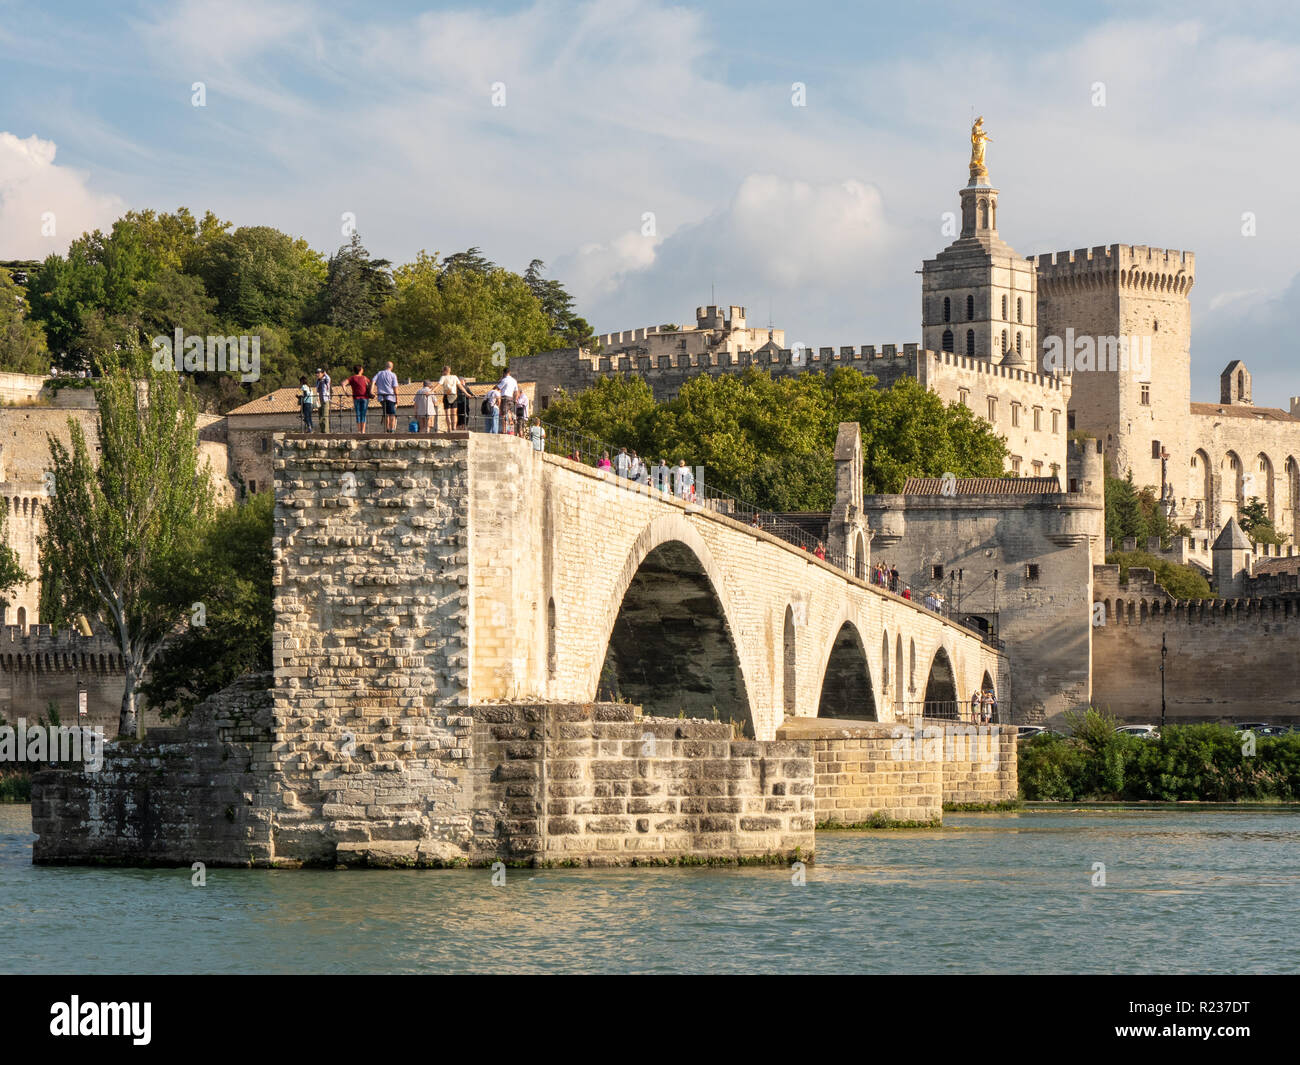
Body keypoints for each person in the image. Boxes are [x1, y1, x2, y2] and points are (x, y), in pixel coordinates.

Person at [372, 361, 399, 433]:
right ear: (391, 367)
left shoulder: (379, 373)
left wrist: (371, 391)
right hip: (390, 397)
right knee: (392, 414)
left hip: (381, 397)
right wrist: (397, 399)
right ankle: (392, 429)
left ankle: (386, 429)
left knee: (386, 413)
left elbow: (373, 381)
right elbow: (395, 388)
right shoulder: (393, 375)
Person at [346, 365, 370, 433]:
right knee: (364, 414)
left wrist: (346, 392)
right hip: (365, 397)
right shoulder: (365, 378)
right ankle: (363, 431)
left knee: (358, 414)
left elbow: (343, 383)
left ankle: (359, 430)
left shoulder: (352, 378)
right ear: (360, 370)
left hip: (356, 398)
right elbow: (371, 384)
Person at [315, 367, 332, 433]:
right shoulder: (317, 381)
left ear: (322, 373)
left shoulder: (326, 379)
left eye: (319, 373)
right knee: (320, 416)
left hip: (325, 400)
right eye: (316, 373)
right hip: (319, 400)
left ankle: (326, 432)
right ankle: (322, 431)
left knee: (325, 416)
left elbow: (329, 379)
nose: (317, 374)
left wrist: (325, 374)